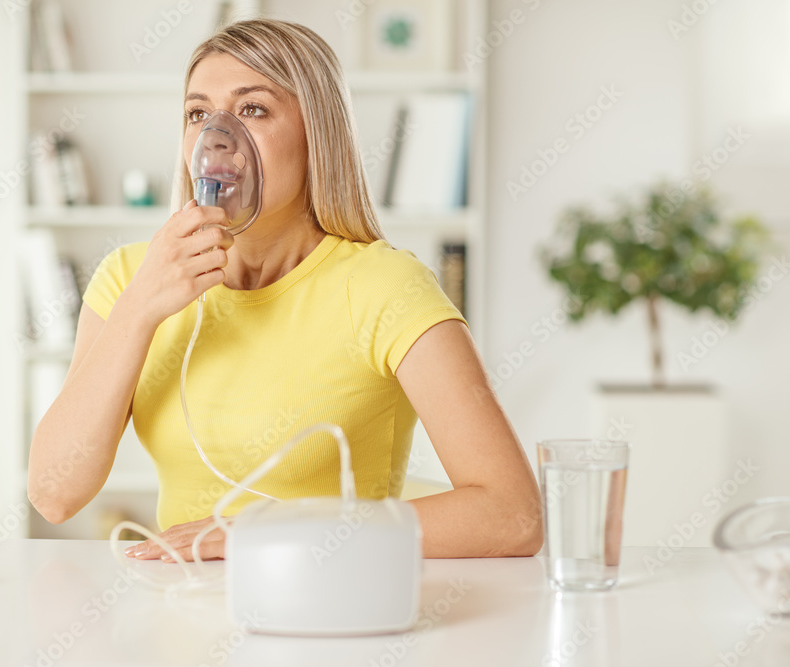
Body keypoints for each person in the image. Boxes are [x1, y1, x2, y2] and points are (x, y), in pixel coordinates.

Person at [27, 19, 542, 561]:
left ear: (315, 133)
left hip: (327, 620)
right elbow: (54, 494)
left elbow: (513, 514)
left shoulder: (385, 288)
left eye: (253, 109)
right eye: (198, 113)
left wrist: (267, 532)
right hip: (177, 621)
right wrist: (138, 310)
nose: (217, 138)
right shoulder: (130, 278)